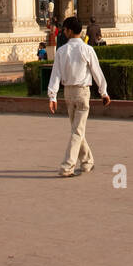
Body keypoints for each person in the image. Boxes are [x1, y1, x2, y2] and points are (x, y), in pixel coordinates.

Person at [47, 16, 111, 177]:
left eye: (65, 30)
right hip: (82, 93)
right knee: (77, 131)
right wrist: (104, 92)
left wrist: (53, 96)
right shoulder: (87, 50)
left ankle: (85, 162)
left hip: (68, 93)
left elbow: (55, 75)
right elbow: (97, 72)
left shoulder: (62, 51)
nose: (64, 32)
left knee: (77, 130)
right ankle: (69, 166)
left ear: (69, 31)